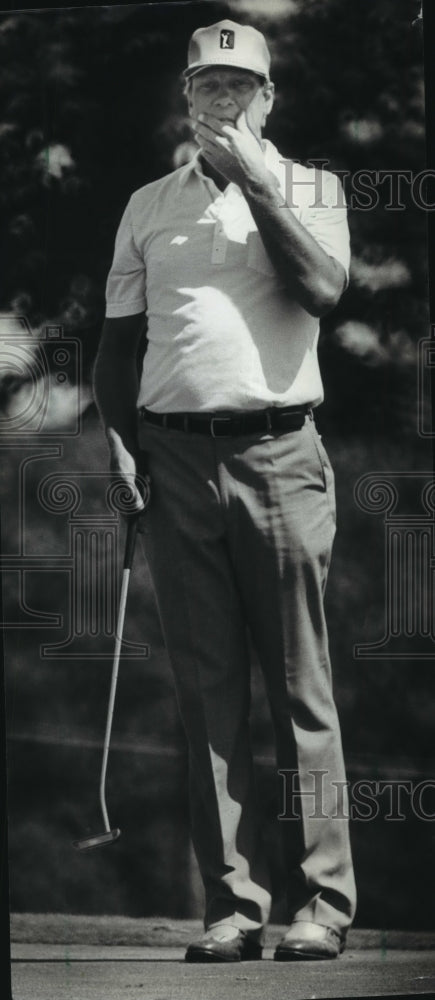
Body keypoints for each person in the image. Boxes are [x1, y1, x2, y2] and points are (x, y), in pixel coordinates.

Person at [94, 18, 357, 963]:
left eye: (240, 87)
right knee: (208, 696)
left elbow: (323, 289)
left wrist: (255, 182)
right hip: (173, 464)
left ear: (267, 100)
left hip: (281, 455)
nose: (223, 100)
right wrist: (121, 444)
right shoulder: (146, 204)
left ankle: (322, 904)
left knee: (300, 690)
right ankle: (235, 904)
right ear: (186, 95)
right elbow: (118, 349)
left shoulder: (312, 188)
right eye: (208, 85)